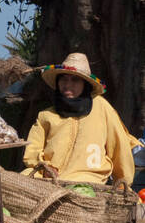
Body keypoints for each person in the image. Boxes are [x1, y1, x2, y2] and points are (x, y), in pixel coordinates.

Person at [23, 52, 139, 185]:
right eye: (64, 79)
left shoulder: (102, 107)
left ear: (85, 84)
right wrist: (44, 166)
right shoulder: (46, 115)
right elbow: (32, 150)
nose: (68, 84)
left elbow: (119, 146)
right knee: (21, 178)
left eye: (75, 80)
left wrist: (123, 182)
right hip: (47, 178)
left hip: (87, 178)